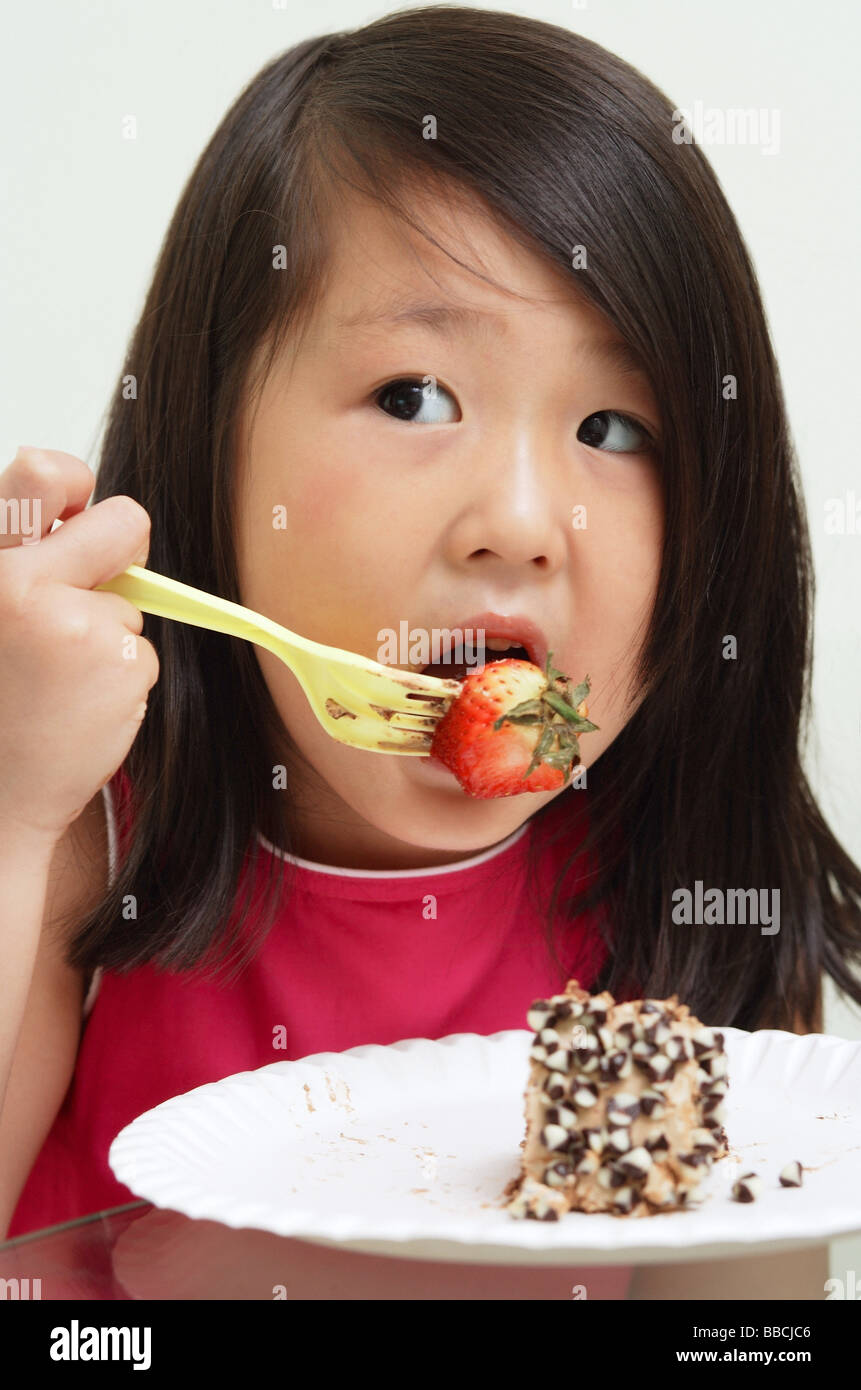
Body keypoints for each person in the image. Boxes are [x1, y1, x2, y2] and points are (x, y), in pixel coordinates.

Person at [1, 7, 856, 1299]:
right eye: (414, 396)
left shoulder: (681, 893)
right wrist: (10, 798)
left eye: (614, 426)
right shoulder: (85, 835)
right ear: (208, 436)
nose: (519, 523)